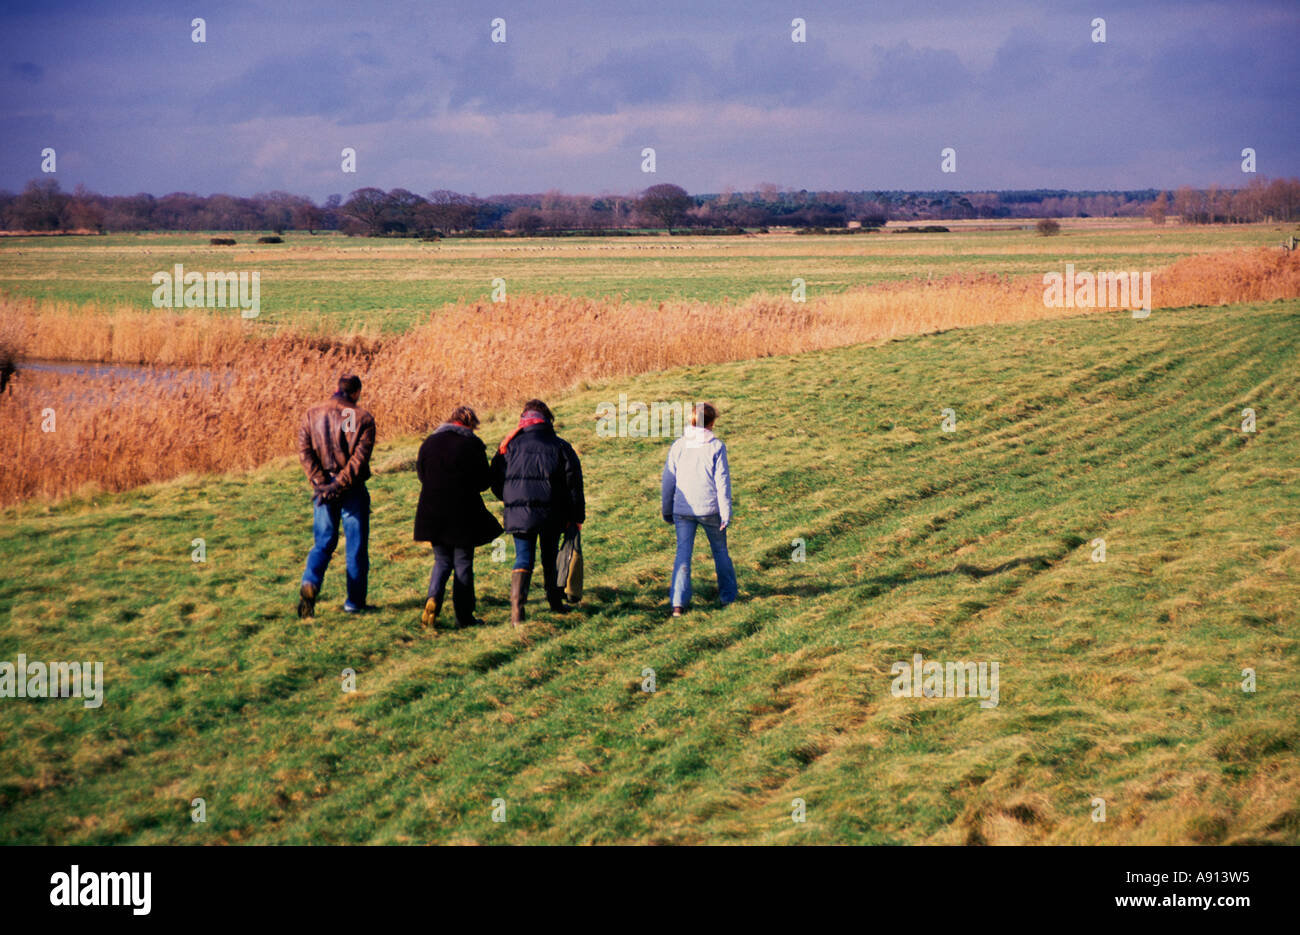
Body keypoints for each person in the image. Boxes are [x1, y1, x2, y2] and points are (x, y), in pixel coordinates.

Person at [490, 399, 585, 625]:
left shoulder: (508, 445)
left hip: (519, 514)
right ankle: (555, 602)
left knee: (523, 557)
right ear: (548, 420)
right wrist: (576, 517)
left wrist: (510, 499)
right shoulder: (560, 446)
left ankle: (517, 613)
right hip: (553, 513)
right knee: (550, 557)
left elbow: (494, 479)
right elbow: (574, 485)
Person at [413, 405, 502, 629]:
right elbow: (483, 482)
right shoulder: (471, 444)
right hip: (462, 512)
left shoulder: (429, 442)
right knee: (463, 563)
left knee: (442, 561)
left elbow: (422, 475)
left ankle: (433, 598)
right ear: (471, 423)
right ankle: (464, 616)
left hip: (432, 511)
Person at [296, 374, 376, 617]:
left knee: (323, 541)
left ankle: (310, 581)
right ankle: (354, 602)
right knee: (356, 545)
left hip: (322, 490)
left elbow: (305, 450)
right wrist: (339, 483)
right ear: (357, 392)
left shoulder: (312, 413)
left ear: (336, 389)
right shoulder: (363, 418)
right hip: (351, 489)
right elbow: (359, 460)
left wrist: (321, 482)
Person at [661, 402, 736, 616]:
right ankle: (728, 597)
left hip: (682, 510)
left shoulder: (678, 445)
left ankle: (678, 603)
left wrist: (667, 509)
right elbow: (722, 482)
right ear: (711, 422)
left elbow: (668, 481)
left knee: (683, 553)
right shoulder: (716, 446)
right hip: (710, 509)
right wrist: (726, 513)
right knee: (720, 551)